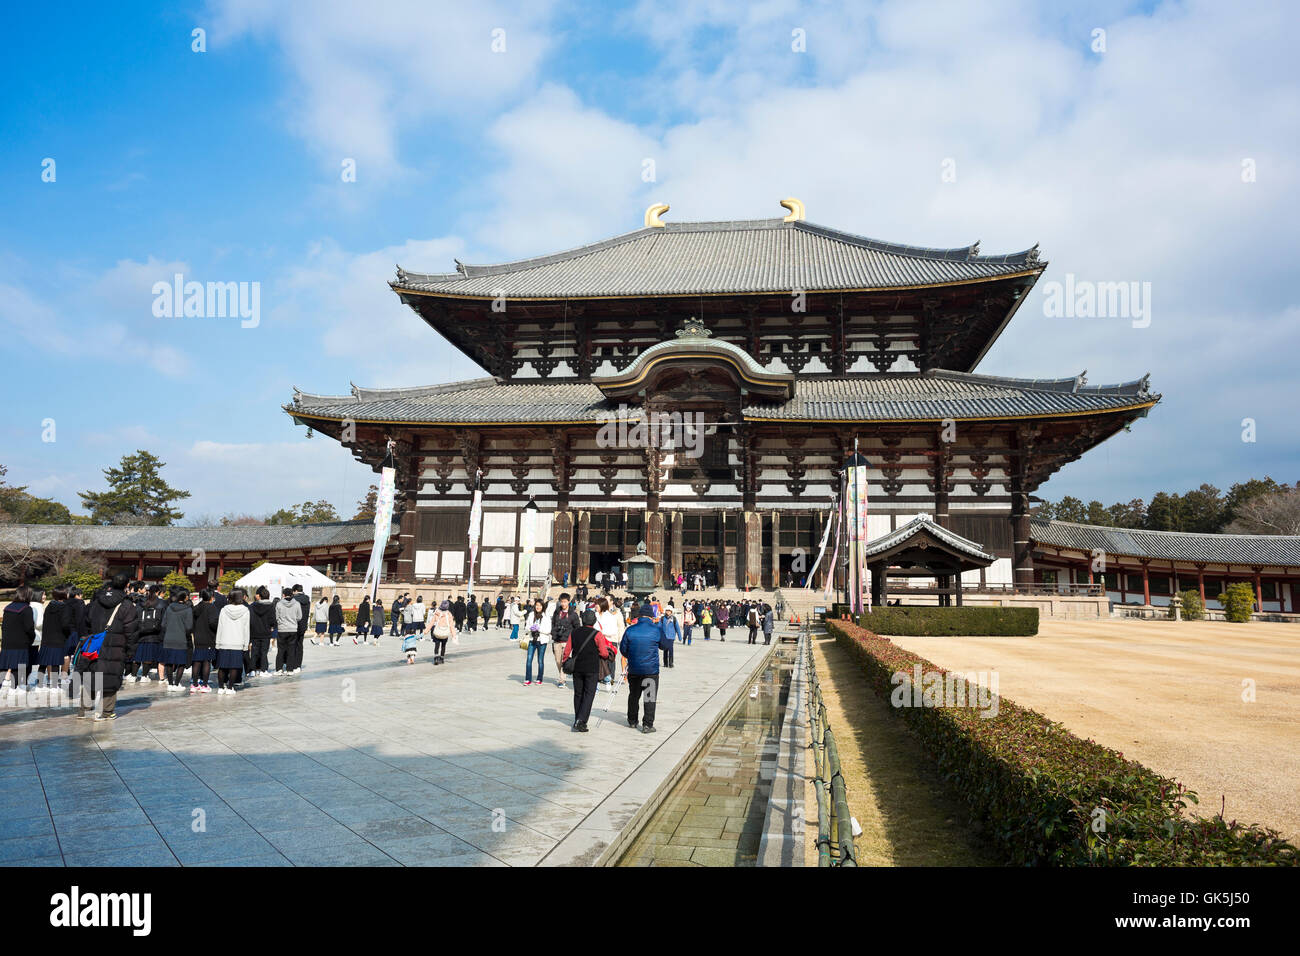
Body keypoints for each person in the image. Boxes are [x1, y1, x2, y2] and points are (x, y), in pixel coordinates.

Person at [75, 573, 140, 720]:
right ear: (127, 586)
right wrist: (131, 651)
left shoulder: (96, 602)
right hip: (116, 647)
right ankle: (106, 712)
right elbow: (132, 631)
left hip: (94, 645)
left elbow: (86, 623)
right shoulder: (127, 605)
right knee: (110, 678)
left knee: (91, 676)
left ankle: (84, 710)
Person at [619, 603, 675, 733]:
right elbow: (665, 646)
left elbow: (623, 649)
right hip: (650, 671)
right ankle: (647, 725)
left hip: (634, 670)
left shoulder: (630, 630)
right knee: (649, 697)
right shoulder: (656, 630)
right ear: (651, 616)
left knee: (634, 695)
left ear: (639, 616)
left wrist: (632, 656)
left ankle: (632, 720)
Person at [561, 608, 612, 732]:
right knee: (589, 695)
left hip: (577, 668)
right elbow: (604, 654)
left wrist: (565, 662)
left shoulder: (575, 632)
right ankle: (581, 720)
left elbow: (567, 650)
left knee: (578, 694)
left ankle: (577, 718)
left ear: (582, 620)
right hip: (592, 668)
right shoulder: (597, 634)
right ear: (594, 621)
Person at [35, 588, 76, 693]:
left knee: (44, 661)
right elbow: (65, 624)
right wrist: (68, 633)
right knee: (55, 662)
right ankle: (54, 687)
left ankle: (39, 684)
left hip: (47, 637)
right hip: (58, 637)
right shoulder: (65, 607)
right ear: (63, 595)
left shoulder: (49, 606)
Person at [1, 586, 37, 697]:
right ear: (27, 595)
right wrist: (32, 637)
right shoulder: (26, 609)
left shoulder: (8, 608)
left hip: (7, 641)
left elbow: (4, 626)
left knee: (4, 665)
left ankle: (2, 685)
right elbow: (29, 628)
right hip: (21, 642)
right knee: (18, 665)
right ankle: (13, 687)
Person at [214, 588, 251, 694]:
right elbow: (246, 628)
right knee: (234, 666)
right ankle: (230, 687)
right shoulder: (245, 610)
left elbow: (220, 627)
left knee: (222, 666)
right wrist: (246, 644)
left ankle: (221, 687)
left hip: (224, 641)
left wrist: (218, 642)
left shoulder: (224, 610)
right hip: (238, 642)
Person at [159, 588, 194, 692]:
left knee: (169, 662)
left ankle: (170, 684)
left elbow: (163, 624)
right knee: (181, 663)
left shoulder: (169, 608)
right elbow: (189, 626)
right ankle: (177, 684)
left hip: (168, 638)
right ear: (185, 597)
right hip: (181, 639)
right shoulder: (188, 610)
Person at [130, 584, 165, 682]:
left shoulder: (141, 601)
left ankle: (133, 676)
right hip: (154, 634)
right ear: (158, 592)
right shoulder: (161, 603)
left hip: (140, 632)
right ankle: (144, 676)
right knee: (148, 656)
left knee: (137, 655)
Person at [191, 588, 218, 693]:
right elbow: (212, 623)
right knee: (207, 661)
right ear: (211, 597)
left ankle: (194, 684)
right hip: (208, 637)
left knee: (197, 661)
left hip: (198, 637)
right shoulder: (212, 608)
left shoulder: (197, 607)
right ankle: (205, 685)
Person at [550, 593, 579, 689]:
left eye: (565, 602)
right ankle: (563, 673)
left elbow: (577, 627)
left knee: (564, 660)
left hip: (567, 641)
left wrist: (573, 638)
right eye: (561, 601)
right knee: (558, 660)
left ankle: (562, 679)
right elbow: (553, 624)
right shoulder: (557, 613)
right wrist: (554, 633)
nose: (563, 603)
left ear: (568, 602)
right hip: (557, 640)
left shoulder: (573, 614)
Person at [595, 596, 624, 685]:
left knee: (610, 659)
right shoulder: (598, 613)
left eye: (607, 600)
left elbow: (620, 626)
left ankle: (610, 677)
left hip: (612, 639)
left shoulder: (616, 612)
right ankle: (601, 676)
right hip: (600, 640)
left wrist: (620, 639)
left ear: (611, 602)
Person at [522, 598, 551, 686]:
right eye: (537, 605)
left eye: (540, 605)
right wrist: (531, 628)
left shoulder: (546, 616)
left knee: (540, 660)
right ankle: (528, 678)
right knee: (529, 659)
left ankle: (539, 678)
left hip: (542, 641)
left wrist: (539, 629)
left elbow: (548, 630)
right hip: (532, 639)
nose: (538, 607)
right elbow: (526, 627)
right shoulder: (531, 614)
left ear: (543, 606)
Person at [248, 586, 276, 678]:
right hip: (266, 632)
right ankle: (263, 670)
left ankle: (252, 670)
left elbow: (250, 619)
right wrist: (272, 626)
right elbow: (272, 619)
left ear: (259, 596)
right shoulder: (271, 606)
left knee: (254, 651)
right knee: (264, 652)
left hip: (255, 632)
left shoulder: (252, 606)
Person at [274, 587, 301, 673]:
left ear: (283, 595)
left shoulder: (279, 604)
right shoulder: (297, 604)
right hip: (293, 629)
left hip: (282, 629)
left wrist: (280, 623)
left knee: (281, 650)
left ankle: (279, 669)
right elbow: (299, 617)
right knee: (291, 650)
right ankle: (290, 670)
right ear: (292, 594)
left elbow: (276, 617)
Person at [429, 599, 456, 664]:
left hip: (437, 632)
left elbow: (431, 623)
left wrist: (425, 631)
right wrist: (454, 635)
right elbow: (451, 626)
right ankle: (442, 658)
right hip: (445, 633)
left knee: (437, 645)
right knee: (443, 646)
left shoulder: (437, 612)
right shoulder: (449, 614)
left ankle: (436, 658)